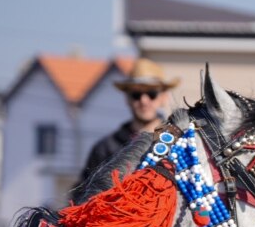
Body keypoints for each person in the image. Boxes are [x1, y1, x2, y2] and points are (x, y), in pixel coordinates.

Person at [72, 58, 178, 202]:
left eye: (152, 93)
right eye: (136, 94)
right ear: (127, 98)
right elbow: (82, 196)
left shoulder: (178, 143)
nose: (144, 100)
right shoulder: (105, 148)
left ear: (164, 97)